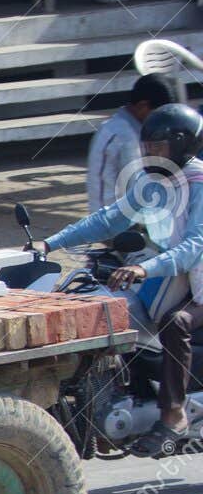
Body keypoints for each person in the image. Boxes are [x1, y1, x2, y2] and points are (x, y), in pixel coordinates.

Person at [38, 103, 203, 456]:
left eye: (158, 148)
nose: (151, 155)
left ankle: (173, 415)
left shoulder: (199, 184)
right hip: (182, 279)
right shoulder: (155, 182)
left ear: (182, 145)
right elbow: (110, 218)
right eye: (147, 148)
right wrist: (51, 242)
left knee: (176, 323)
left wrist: (145, 268)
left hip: (199, 285)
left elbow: (193, 247)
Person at [87, 75, 175, 210]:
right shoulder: (121, 134)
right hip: (111, 221)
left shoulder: (137, 128)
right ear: (142, 106)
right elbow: (136, 187)